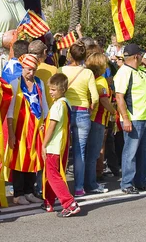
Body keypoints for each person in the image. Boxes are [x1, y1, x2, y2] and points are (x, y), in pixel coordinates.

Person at [115, 43, 146, 194]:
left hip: (145, 117)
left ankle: (142, 181)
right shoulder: (124, 72)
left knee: (144, 151)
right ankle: (127, 183)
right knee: (130, 152)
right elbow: (119, 97)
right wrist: (126, 118)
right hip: (133, 118)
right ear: (136, 56)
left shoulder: (141, 71)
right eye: (141, 55)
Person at [58, 41, 99, 197]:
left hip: (65, 111)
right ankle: (79, 187)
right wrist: (90, 107)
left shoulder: (61, 69)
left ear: (70, 54)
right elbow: (94, 97)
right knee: (79, 152)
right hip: (83, 112)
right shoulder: (87, 73)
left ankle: (58, 186)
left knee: (61, 150)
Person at [6, 54, 48, 205]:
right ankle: (18, 193)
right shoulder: (15, 83)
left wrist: (45, 122)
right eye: (29, 70)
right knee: (19, 159)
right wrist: (11, 133)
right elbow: (10, 111)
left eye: (34, 70)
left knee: (33, 158)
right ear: (22, 68)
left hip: (36, 128)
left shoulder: (39, 83)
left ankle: (30, 191)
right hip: (20, 128)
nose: (31, 73)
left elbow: (44, 105)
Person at [41, 73, 81, 217]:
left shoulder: (58, 105)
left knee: (52, 175)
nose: (50, 92)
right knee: (52, 173)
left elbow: (52, 125)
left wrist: (44, 144)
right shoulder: (66, 102)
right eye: (50, 89)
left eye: (53, 90)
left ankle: (69, 202)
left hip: (53, 146)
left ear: (62, 89)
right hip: (60, 145)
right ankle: (49, 201)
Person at [85, 52, 116, 193]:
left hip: (91, 119)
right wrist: (115, 112)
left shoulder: (92, 78)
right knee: (93, 154)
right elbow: (104, 100)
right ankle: (91, 184)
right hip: (97, 120)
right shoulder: (101, 81)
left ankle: (87, 182)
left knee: (89, 153)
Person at [29, 40, 57, 107]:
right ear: (44, 52)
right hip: (49, 110)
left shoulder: (24, 69)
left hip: (31, 109)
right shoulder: (53, 69)